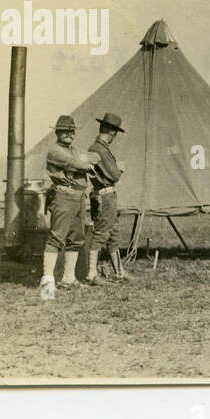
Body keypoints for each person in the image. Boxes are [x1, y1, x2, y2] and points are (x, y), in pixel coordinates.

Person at [42, 115, 99, 290]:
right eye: (65, 131)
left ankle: (68, 278)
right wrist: (83, 164)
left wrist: (84, 162)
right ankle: (48, 284)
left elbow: (95, 157)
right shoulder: (55, 151)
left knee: (76, 238)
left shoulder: (73, 149)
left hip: (78, 198)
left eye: (71, 131)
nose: (69, 134)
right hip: (63, 197)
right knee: (57, 238)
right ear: (57, 132)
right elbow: (79, 164)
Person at [87, 112, 127, 283]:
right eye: (114, 133)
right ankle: (91, 274)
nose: (114, 136)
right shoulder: (99, 149)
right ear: (111, 132)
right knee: (101, 234)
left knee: (113, 234)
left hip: (108, 195)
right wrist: (120, 168)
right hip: (105, 196)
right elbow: (115, 175)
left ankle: (119, 272)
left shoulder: (99, 148)